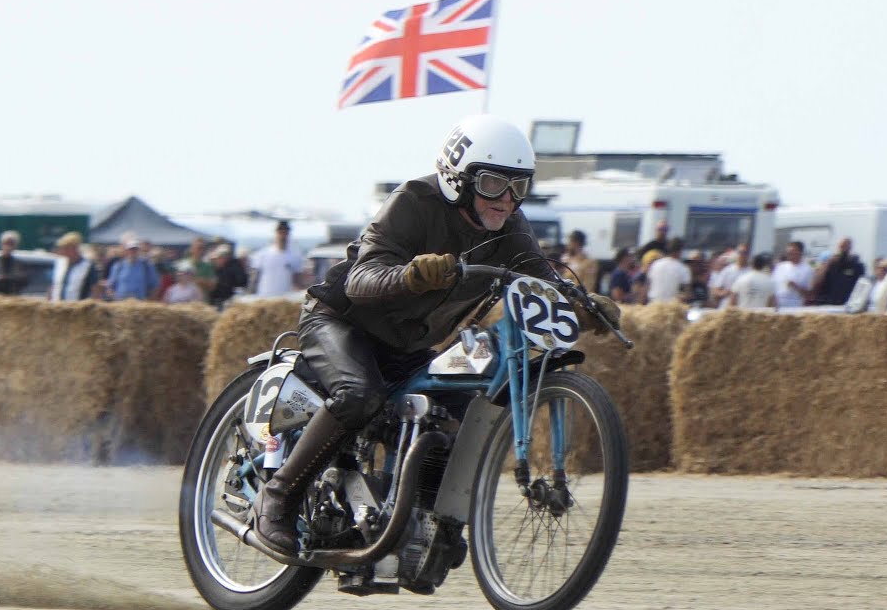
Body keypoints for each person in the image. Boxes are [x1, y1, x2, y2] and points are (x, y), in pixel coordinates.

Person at [253, 114, 621, 554]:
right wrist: (411, 276)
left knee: (460, 413)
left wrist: (583, 307)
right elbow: (359, 278)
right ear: (458, 178)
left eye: (518, 186)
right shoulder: (413, 201)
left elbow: (542, 285)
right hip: (341, 321)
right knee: (359, 395)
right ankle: (276, 500)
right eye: (492, 184)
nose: (506, 200)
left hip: (408, 345)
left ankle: (422, 525)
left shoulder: (513, 232)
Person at [249, 220, 305, 297]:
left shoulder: (295, 256)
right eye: (280, 232)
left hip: (284, 299)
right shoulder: (262, 254)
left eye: (285, 233)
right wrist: (250, 295)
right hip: (263, 297)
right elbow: (254, 279)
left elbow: (297, 280)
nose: (282, 236)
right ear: (275, 233)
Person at [811, 237, 865, 306]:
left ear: (850, 248)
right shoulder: (830, 264)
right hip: (828, 303)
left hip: (846, 304)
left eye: (846, 246)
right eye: (841, 246)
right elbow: (817, 283)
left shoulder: (856, 266)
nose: (843, 249)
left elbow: (860, 286)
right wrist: (826, 265)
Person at [51, 231, 99, 301]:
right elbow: (53, 286)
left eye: (66, 248)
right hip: (57, 307)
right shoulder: (60, 264)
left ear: (74, 248)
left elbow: (95, 290)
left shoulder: (88, 266)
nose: (63, 251)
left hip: (78, 309)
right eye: (63, 248)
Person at [646, 238, 691, 303]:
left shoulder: (655, 264)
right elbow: (686, 292)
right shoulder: (683, 269)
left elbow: (648, 284)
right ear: (680, 251)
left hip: (653, 304)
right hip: (671, 308)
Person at [0, 230, 30, 295]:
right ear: (1, 244)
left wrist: (7, 278)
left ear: (15, 246)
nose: (8, 247)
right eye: (5, 243)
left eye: (11, 244)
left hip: (14, 299)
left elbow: (24, 280)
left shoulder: (19, 264)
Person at [772, 241, 813, 309]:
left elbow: (809, 294)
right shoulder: (780, 266)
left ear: (800, 252)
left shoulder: (807, 270)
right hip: (778, 305)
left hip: (795, 306)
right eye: (788, 252)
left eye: (792, 252)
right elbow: (772, 286)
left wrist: (795, 286)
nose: (789, 254)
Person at [207, 244, 248, 308]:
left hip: (227, 299)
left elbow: (241, 282)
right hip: (213, 299)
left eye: (225, 256)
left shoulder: (234, 266)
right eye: (220, 256)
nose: (222, 258)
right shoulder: (212, 266)